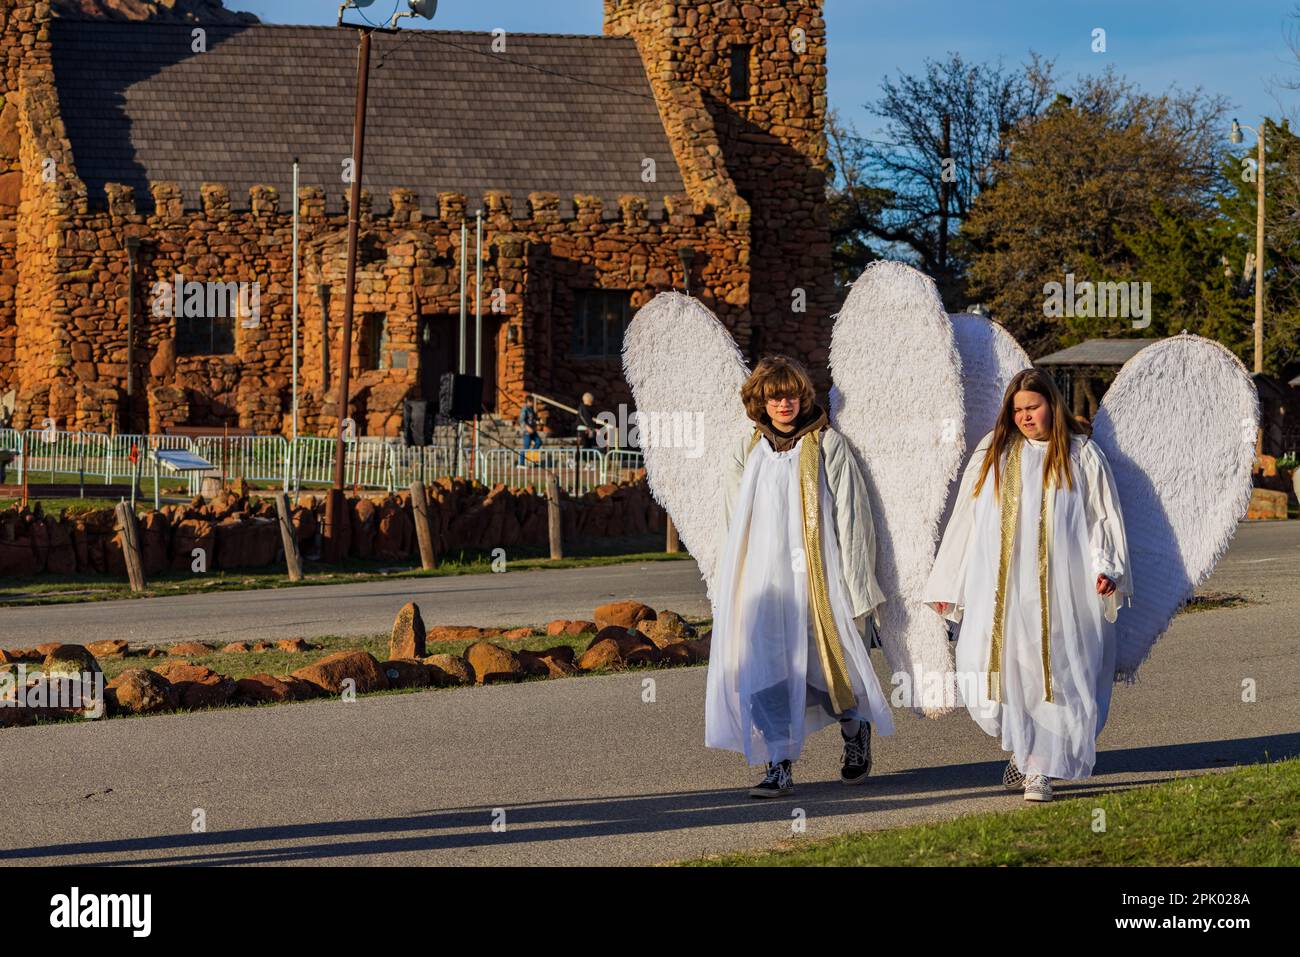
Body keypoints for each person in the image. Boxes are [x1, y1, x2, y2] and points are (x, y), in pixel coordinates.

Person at [923, 369, 1132, 802]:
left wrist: (1107, 567)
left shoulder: (1080, 455)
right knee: (999, 670)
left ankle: (1040, 768)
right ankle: (1024, 748)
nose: (1024, 416)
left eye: (1032, 407)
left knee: (1054, 672)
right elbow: (967, 519)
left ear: (1051, 405)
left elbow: (1102, 517)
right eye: (1017, 409)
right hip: (1001, 591)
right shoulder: (996, 453)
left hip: (1063, 592)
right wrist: (950, 582)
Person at [708, 355, 895, 798]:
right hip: (767, 582)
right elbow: (733, 520)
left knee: (831, 665)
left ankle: (854, 734)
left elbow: (852, 517)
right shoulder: (748, 449)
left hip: (819, 577)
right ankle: (779, 763)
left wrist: (856, 585)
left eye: (790, 394)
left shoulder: (828, 445)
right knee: (769, 670)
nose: (784, 403)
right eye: (774, 397)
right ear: (761, 402)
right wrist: (731, 586)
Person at [517, 395, 542, 465]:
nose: (532, 403)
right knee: (526, 446)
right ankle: (521, 463)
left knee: (538, 442)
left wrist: (539, 420)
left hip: (533, 430)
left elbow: (535, 417)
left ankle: (532, 459)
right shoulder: (524, 409)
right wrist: (527, 428)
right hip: (526, 432)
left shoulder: (531, 409)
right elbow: (521, 420)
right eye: (531, 402)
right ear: (528, 401)